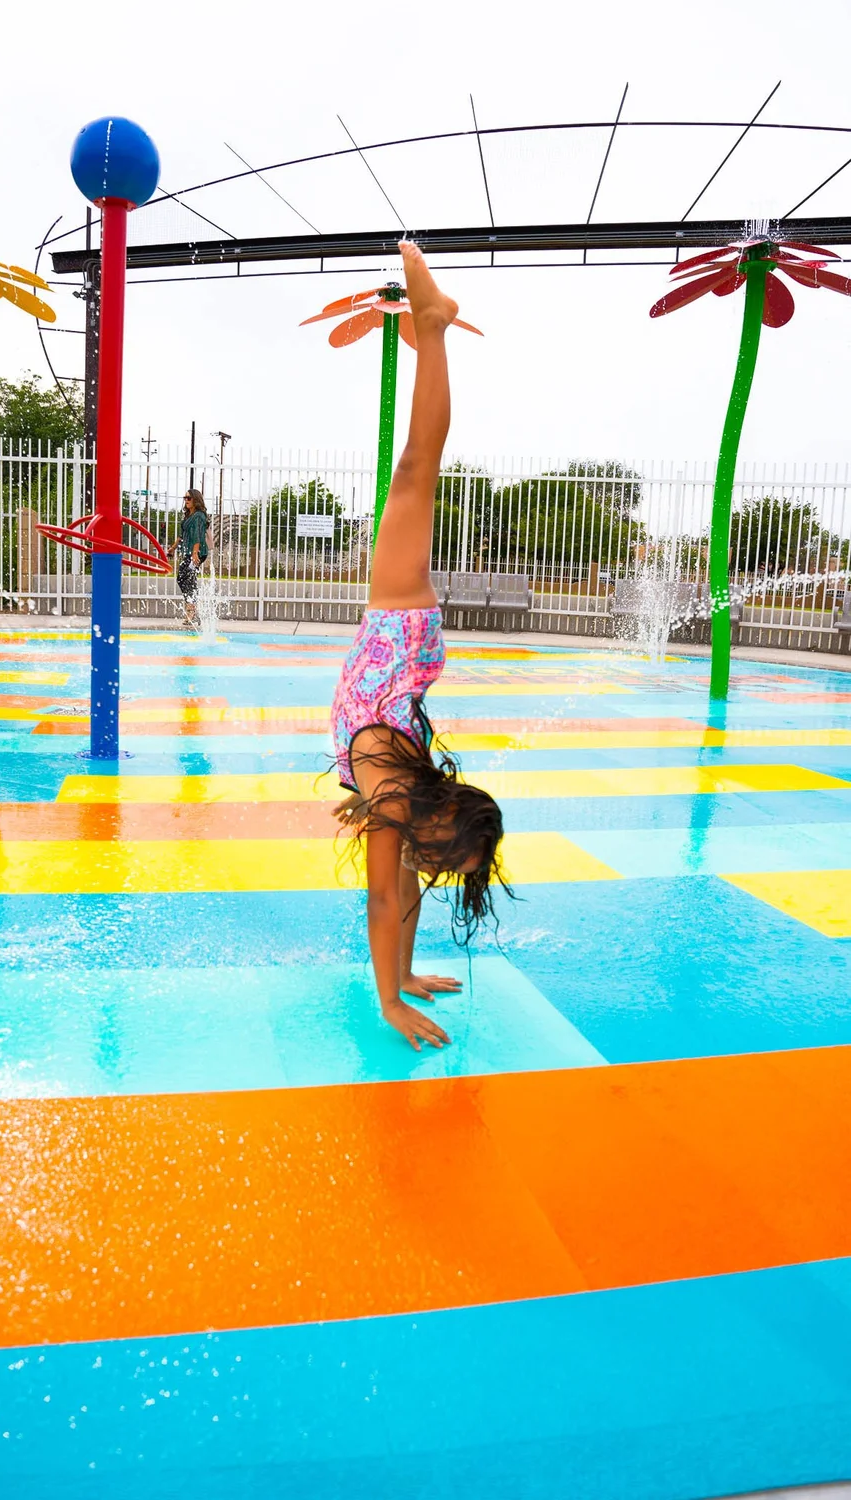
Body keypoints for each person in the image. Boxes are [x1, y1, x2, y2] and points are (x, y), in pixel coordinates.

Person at [331, 242, 508, 1052]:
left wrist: (403, 977)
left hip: (406, 648)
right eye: (453, 863)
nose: (438, 870)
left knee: (417, 474)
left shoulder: (407, 811)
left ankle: (430, 339)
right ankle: (431, 329)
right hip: (398, 629)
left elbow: (399, 892)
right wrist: (390, 1005)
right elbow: (381, 902)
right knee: (417, 469)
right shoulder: (400, 805)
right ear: (444, 822)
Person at [168, 489, 209, 633]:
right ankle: (192, 609)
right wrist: (172, 549)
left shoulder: (198, 516)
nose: (186, 500)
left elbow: (197, 534)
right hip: (189, 552)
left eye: (189, 498)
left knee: (187, 578)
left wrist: (195, 553)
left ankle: (192, 610)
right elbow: (182, 536)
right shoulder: (188, 516)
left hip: (198, 552)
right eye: (185, 497)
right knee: (183, 578)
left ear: (196, 499)